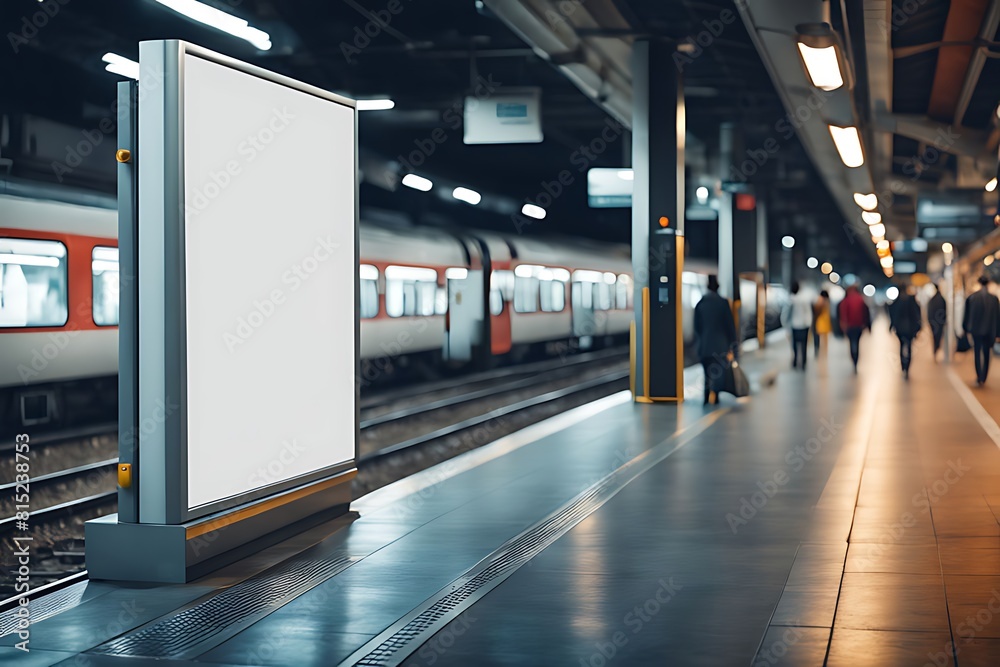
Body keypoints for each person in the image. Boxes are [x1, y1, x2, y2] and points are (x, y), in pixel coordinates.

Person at [694, 274, 737, 405]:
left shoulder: (700, 303)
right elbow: (730, 326)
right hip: (720, 346)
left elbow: (697, 327)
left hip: (705, 345)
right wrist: (733, 344)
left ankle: (706, 397)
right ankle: (716, 396)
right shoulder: (723, 303)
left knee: (706, 372)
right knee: (718, 371)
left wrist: (700, 341)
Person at [963, 274, 1000, 386]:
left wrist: (965, 329)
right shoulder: (994, 299)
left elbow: (967, 316)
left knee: (977, 352)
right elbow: (998, 317)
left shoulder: (972, 298)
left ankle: (979, 376)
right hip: (989, 331)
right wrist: (998, 333)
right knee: (987, 353)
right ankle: (984, 376)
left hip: (976, 331)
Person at [889, 284, 922, 379]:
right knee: (909, 347)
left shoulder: (897, 301)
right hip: (910, 329)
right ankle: (907, 367)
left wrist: (892, 326)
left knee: (902, 345)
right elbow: (917, 314)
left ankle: (903, 366)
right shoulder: (911, 300)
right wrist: (918, 327)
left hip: (900, 329)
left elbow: (893, 314)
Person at [837, 285, 871, 373]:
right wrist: (867, 325)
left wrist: (843, 324)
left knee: (852, 342)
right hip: (859, 325)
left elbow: (843, 313)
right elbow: (866, 312)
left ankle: (853, 357)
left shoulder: (846, 300)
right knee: (857, 342)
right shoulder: (861, 299)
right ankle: (856, 359)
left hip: (850, 326)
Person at [784, 282, 813, 370]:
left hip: (794, 326)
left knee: (795, 346)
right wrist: (808, 323)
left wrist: (785, 325)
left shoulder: (790, 300)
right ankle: (803, 363)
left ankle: (795, 362)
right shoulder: (804, 299)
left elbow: (785, 315)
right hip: (804, 326)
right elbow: (808, 312)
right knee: (804, 345)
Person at [927, 284, 946, 360]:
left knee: (935, 337)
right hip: (939, 322)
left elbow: (929, 312)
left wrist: (929, 321)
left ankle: (935, 350)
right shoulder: (942, 299)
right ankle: (936, 349)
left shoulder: (932, 300)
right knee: (938, 336)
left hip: (933, 322)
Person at [813, 290, 832, 358]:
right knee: (824, 338)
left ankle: (821, 352)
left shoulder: (820, 301)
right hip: (824, 321)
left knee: (821, 338)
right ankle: (823, 351)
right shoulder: (826, 301)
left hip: (821, 321)